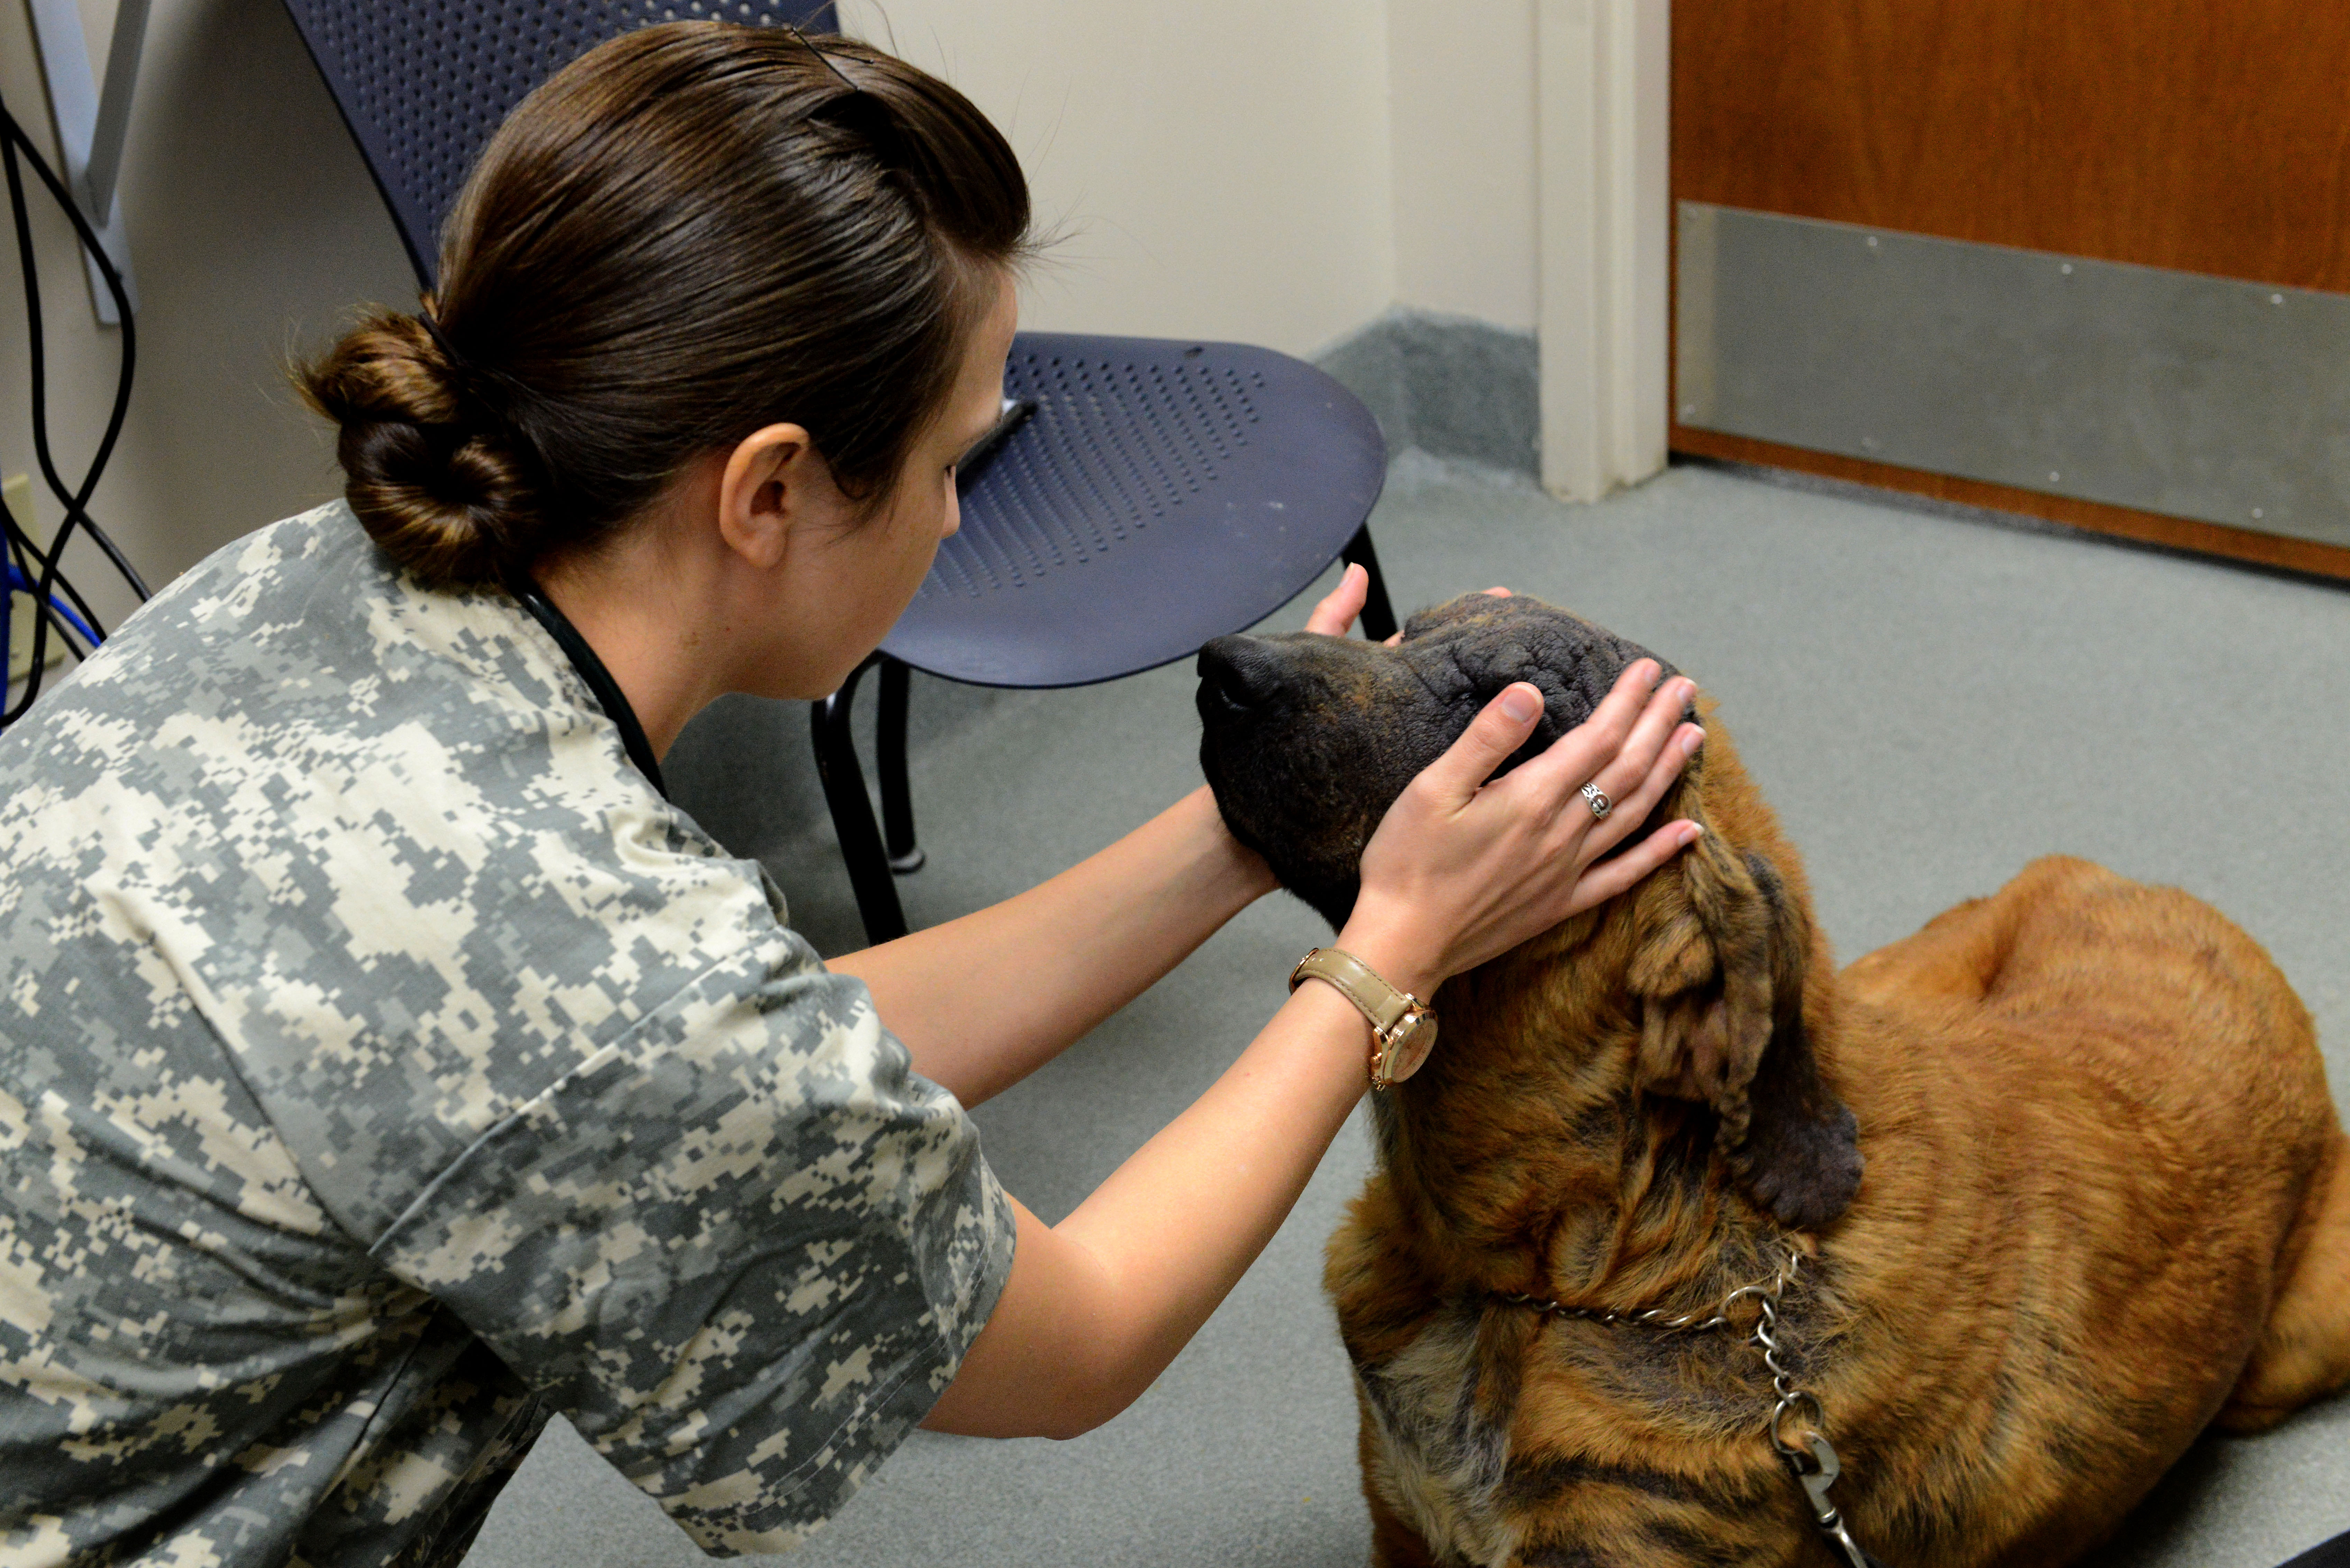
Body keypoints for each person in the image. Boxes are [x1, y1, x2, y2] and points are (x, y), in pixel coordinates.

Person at [0, 23, 1703, 1566]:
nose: (960, 517)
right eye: (957, 461)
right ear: (770, 493)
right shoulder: (608, 988)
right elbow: (1081, 1336)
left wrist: (1248, 838)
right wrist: (1392, 952)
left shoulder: (307, 578)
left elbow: (743, 1049)